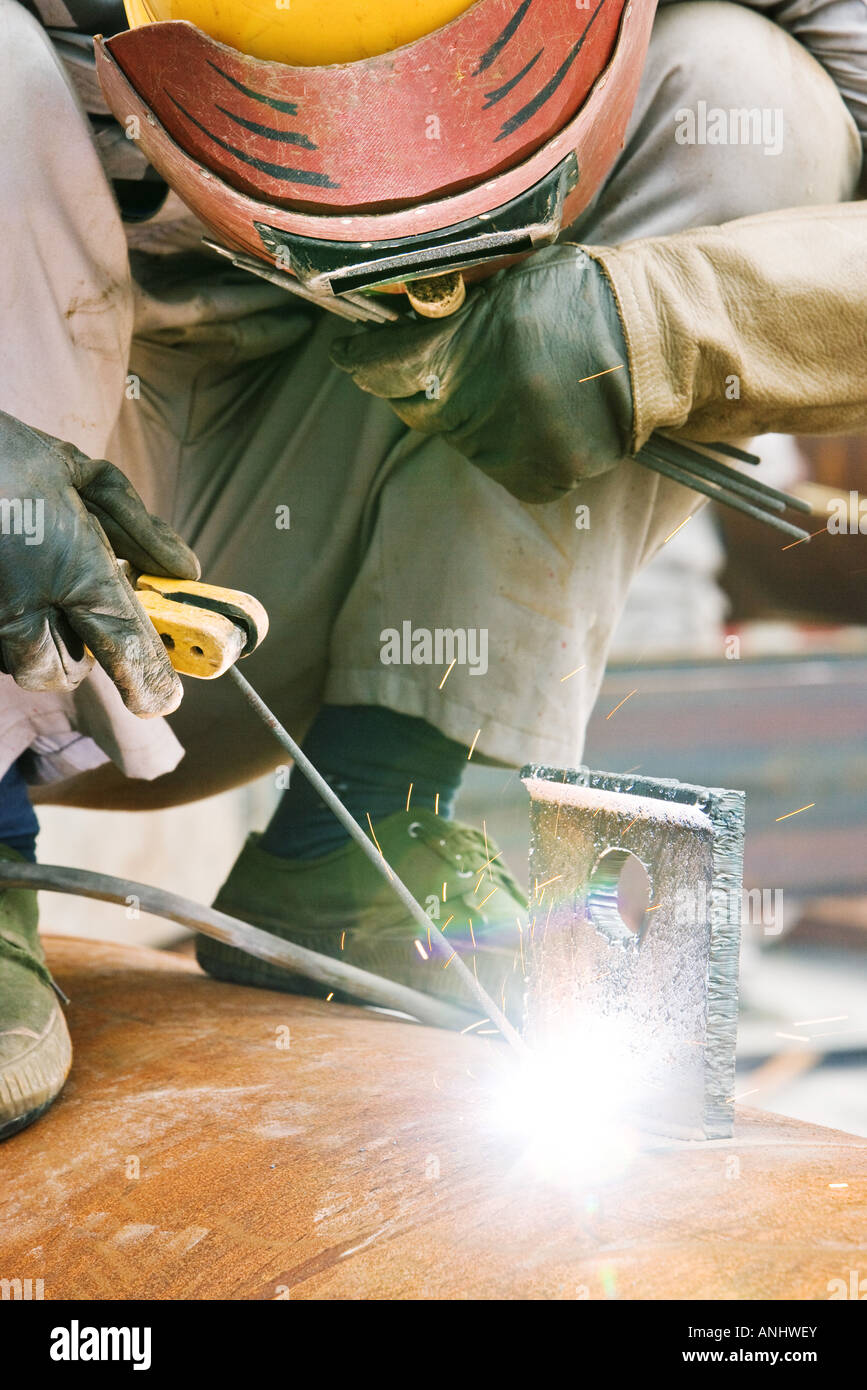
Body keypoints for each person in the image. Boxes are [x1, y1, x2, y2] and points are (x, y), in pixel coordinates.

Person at [1, 0, 865, 1138]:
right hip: (51, 567)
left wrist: (646, 326)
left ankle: (373, 824)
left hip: (272, 580)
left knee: (748, 95)